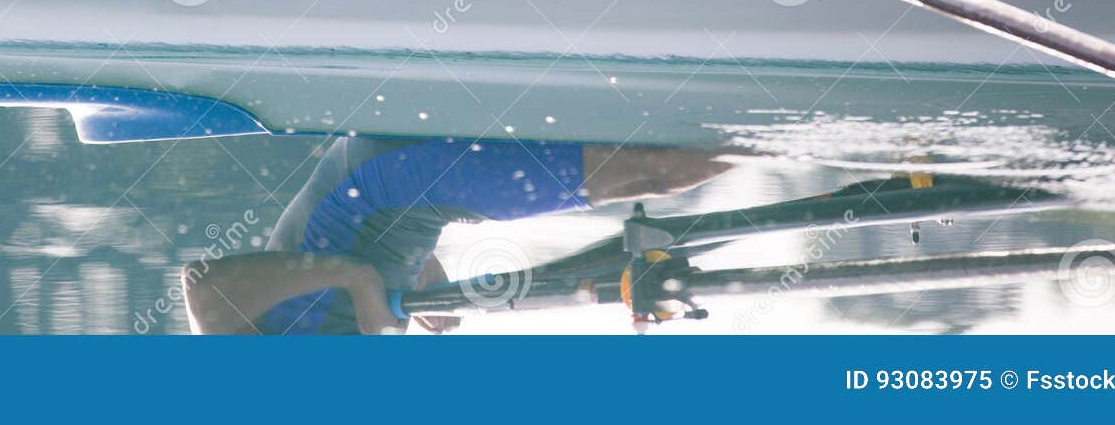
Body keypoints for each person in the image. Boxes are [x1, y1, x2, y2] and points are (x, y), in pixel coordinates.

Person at [182, 137, 735, 334]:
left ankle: (804, 139)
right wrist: (422, 271)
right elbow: (345, 263)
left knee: (649, 173)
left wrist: (361, 284)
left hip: (386, 179)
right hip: (396, 190)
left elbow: (203, 285)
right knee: (639, 168)